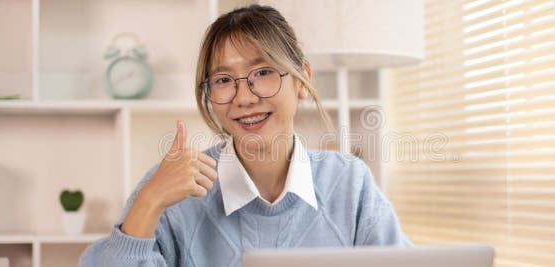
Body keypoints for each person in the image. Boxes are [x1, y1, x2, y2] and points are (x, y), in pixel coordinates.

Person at [80, 4, 411, 266]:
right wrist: (148, 202)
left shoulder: (349, 184)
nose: (244, 98)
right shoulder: (173, 192)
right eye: (223, 80)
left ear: (302, 79)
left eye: (263, 72)